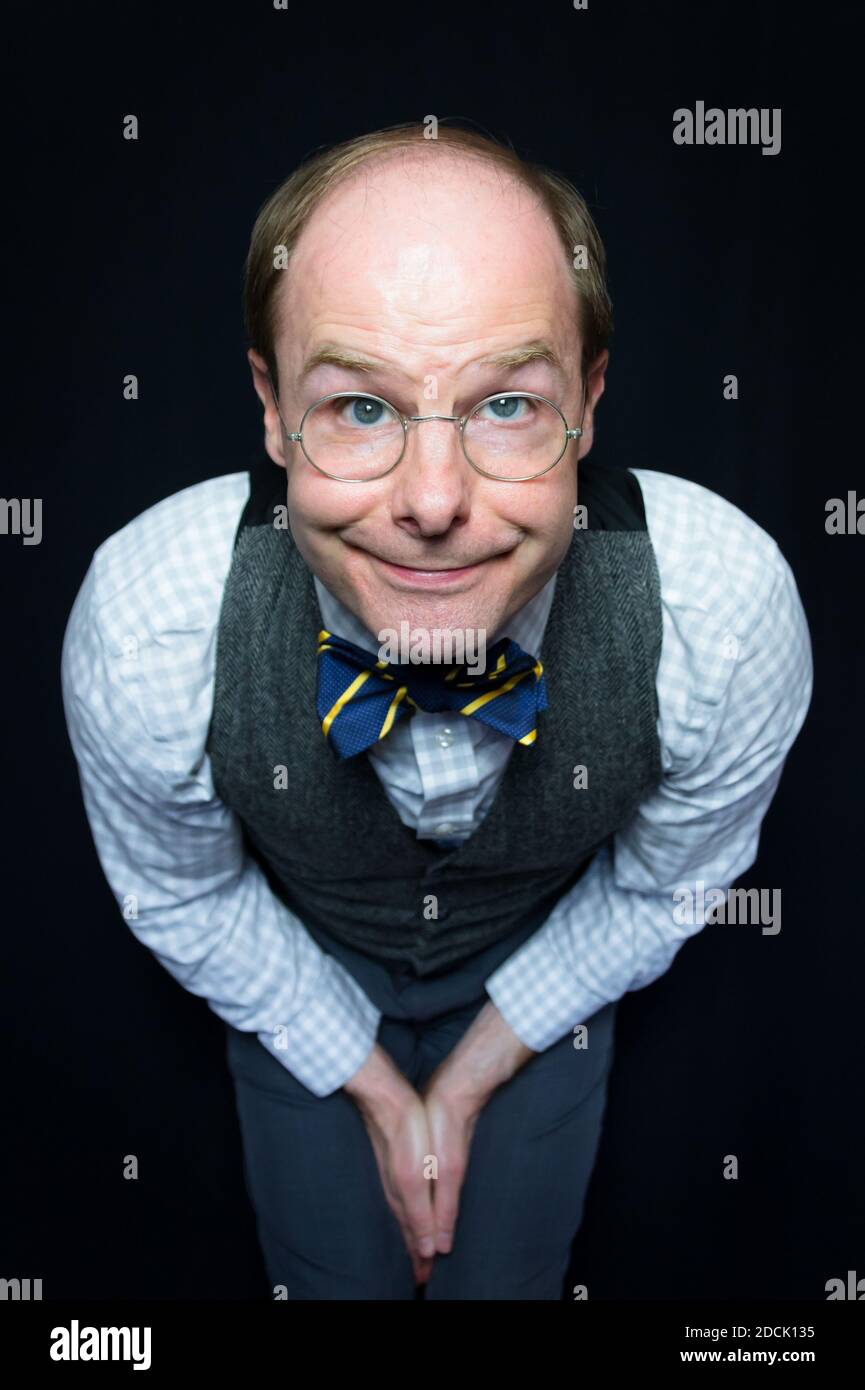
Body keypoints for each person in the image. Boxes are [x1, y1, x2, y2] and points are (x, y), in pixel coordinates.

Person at [61, 122, 812, 1300]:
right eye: (360, 407)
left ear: (589, 404)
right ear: (271, 410)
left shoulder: (724, 606)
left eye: (505, 403)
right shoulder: (150, 617)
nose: (431, 501)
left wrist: (470, 1072)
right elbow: (188, 889)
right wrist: (365, 1076)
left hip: (555, 965)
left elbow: (666, 879)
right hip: (289, 958)